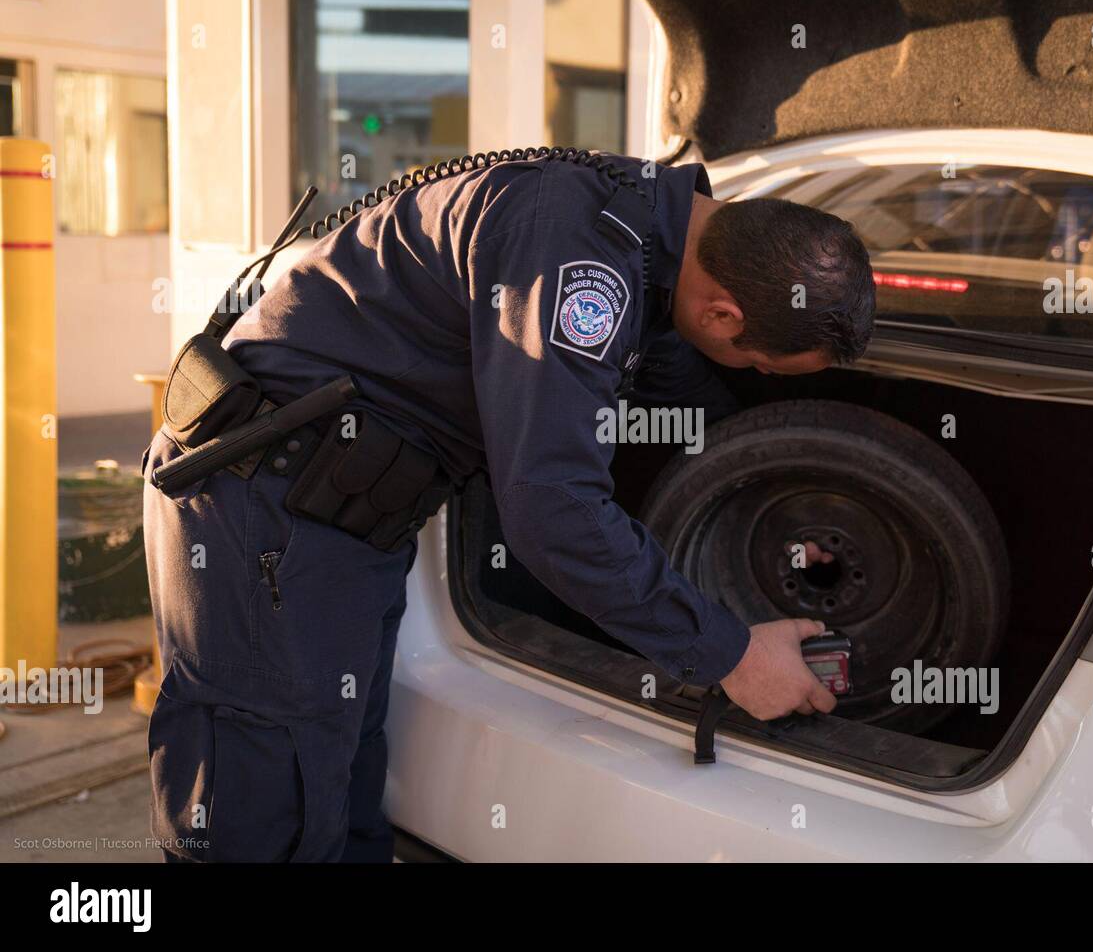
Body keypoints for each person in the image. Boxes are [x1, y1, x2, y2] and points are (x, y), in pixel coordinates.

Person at [142, 150, 875, 862]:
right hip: (263, 514)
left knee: (338, 784)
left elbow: (682, 394)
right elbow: (550, 508)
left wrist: (784, 510)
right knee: (264, 811)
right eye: (756, 362)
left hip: (343, 517)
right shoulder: (580, 265)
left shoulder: (660, 226)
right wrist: (731, 654)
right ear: (721, 315)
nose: (749, 371)